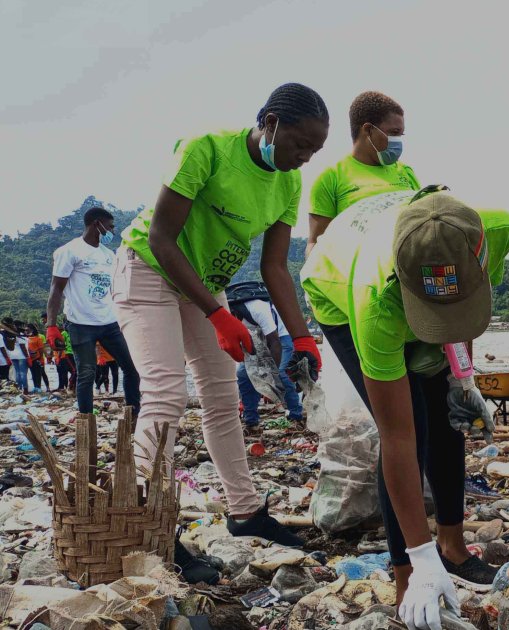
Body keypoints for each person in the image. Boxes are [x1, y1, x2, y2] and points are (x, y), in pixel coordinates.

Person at [112, 83, 329, 582]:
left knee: (221, 393)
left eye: (314, 151)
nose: (303, 159)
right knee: (166, 393)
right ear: (271, 122)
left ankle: (245, 510)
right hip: (149, 269)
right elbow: (161, 238)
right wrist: (217, 314)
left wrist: (302, 337)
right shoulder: (205, 149)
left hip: (206, 285)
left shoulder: (288, 185)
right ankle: (150, 523)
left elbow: (275, 267)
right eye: (300, 145)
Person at [302, 189, 509, 629]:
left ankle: (452, 549)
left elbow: (462, 306)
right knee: (410, 425)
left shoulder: (495, 228)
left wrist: (462, 375)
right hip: (338, 292)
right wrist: (421, 561)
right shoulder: (372, 300)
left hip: (415, 284)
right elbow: (396, 436)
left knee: (446, 418)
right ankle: (409, 579)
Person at [46, 207, 140, 414]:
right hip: (80, 323)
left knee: (132, 369)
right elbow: (56, 288)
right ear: (97, 223)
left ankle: (135, 417)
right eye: (110, 226)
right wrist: (51, 326)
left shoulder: (109, 255)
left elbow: (115, 290)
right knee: (87, 373)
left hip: (109, 322)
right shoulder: (69, 251)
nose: (112, 231)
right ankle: (86, 420)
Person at [307, 91, 419, 253]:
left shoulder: (406, 173)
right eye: (393, 133)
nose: (398, 141)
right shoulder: (332, 178)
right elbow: (315, 245)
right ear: (368, 130)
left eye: (400, 134)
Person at [226, 282, 304, 427]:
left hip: (280, 335)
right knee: (244, 374)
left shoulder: (257, 309)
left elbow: (275, 343)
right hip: (256, 337)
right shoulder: (226, 317)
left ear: (235, 312)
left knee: (281, 373)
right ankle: (251, 420)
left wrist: (269, 375)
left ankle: (296, 416)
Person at [2, 320, 29, 393]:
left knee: (17, 373)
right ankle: (25, 389)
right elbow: (23, 347)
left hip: (13, 356)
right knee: (23, 373)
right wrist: (27, 357)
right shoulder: (19, 334)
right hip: (21, 356)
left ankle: (19, 388)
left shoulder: (11, 334)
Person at [25, 324, 49, 392]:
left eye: (27, 330)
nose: (26, 332)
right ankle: (35, 387)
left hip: (37, 359)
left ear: (32, 330)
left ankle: (41, 388)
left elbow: (41, 350)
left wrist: (40, 359)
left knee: (40, 374)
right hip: (30, 360)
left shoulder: (38, 338)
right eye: (25, 330)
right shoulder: (26, 339)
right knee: (33, 374)